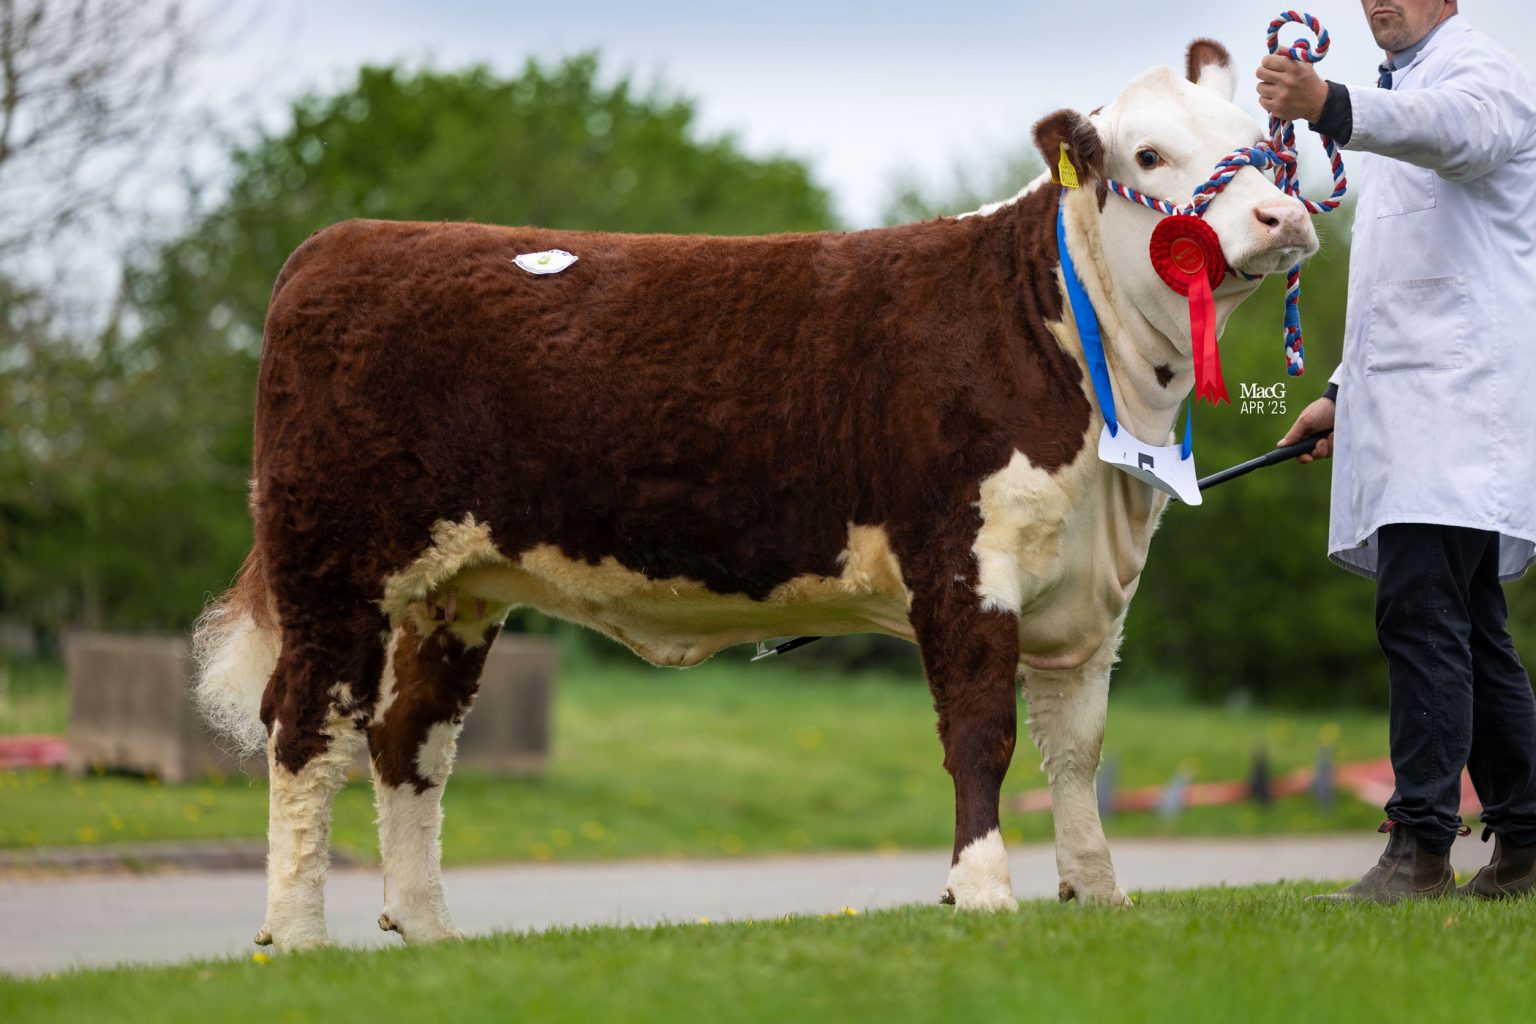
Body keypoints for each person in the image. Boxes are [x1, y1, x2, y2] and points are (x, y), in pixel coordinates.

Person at [1256, 0, 1536, 901]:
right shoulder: (1403, 87)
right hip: (1416, 406)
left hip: (1459, 411)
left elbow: (1458, 134)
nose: (1382, 1)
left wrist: (1330, 103)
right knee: (1472, 631)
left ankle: (1418, 849)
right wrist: (1340, 394)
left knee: (1419, 617)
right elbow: (1407, 288)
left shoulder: (1480, 75)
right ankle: (1528, 845)